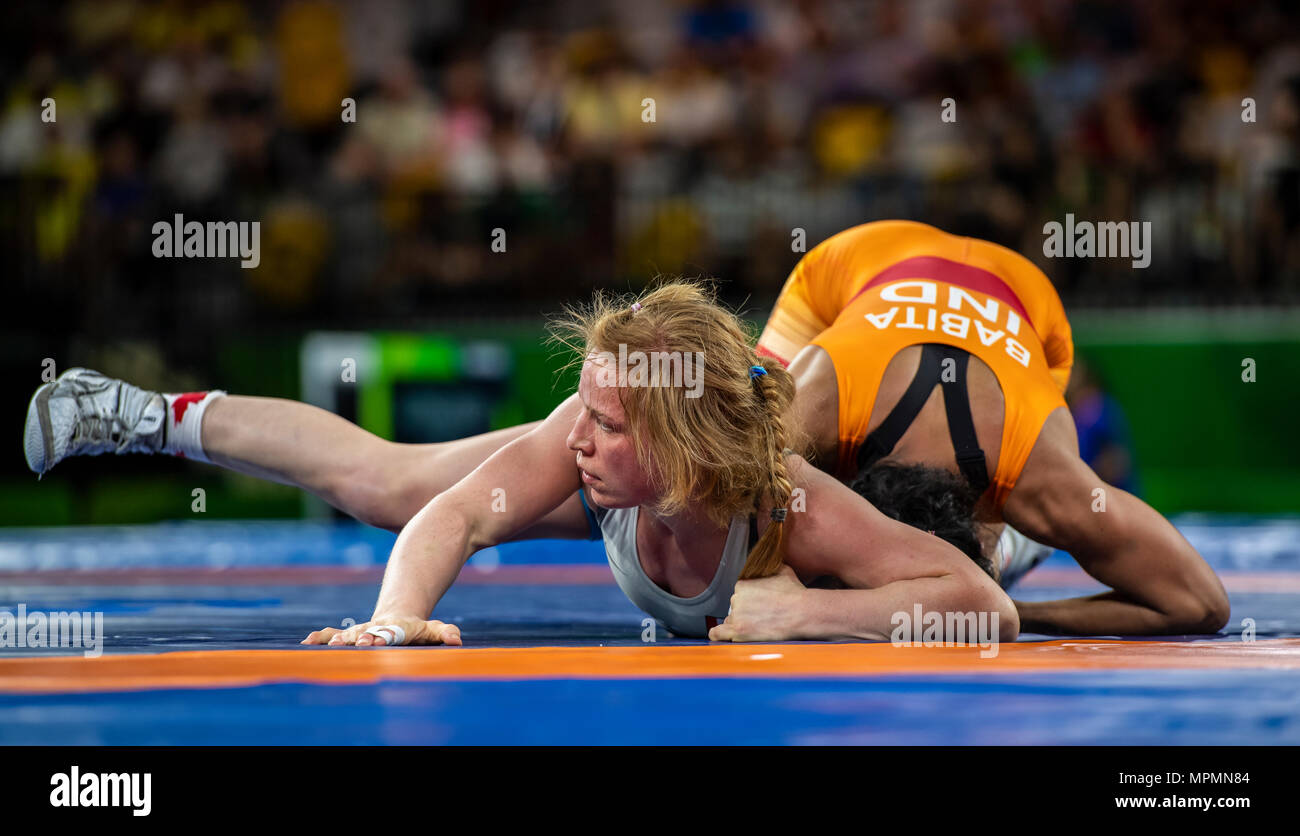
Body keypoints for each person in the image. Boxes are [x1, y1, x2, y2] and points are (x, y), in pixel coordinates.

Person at [24, 281, 1018, 645]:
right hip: (632, 510)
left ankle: (1012, 538)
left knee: (963, 553)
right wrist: (396, 615)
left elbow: (985, 609)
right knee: (391, 484)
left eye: (606, 424)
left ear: (678, 447)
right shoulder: (576, 443)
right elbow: (447, 518)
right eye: (578, 410)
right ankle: (137, 412)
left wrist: (807, 610)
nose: (575, 436)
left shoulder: (782, 504)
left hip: (767, 514)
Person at [757, 220, 1228, 636]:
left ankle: (982, 571)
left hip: (1025, 303)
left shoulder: (1040, 479)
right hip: (854, 269)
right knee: (768, 494)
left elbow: (1203, 604)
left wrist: (1002, 610)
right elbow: (1201, 602)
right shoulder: (815, 406)